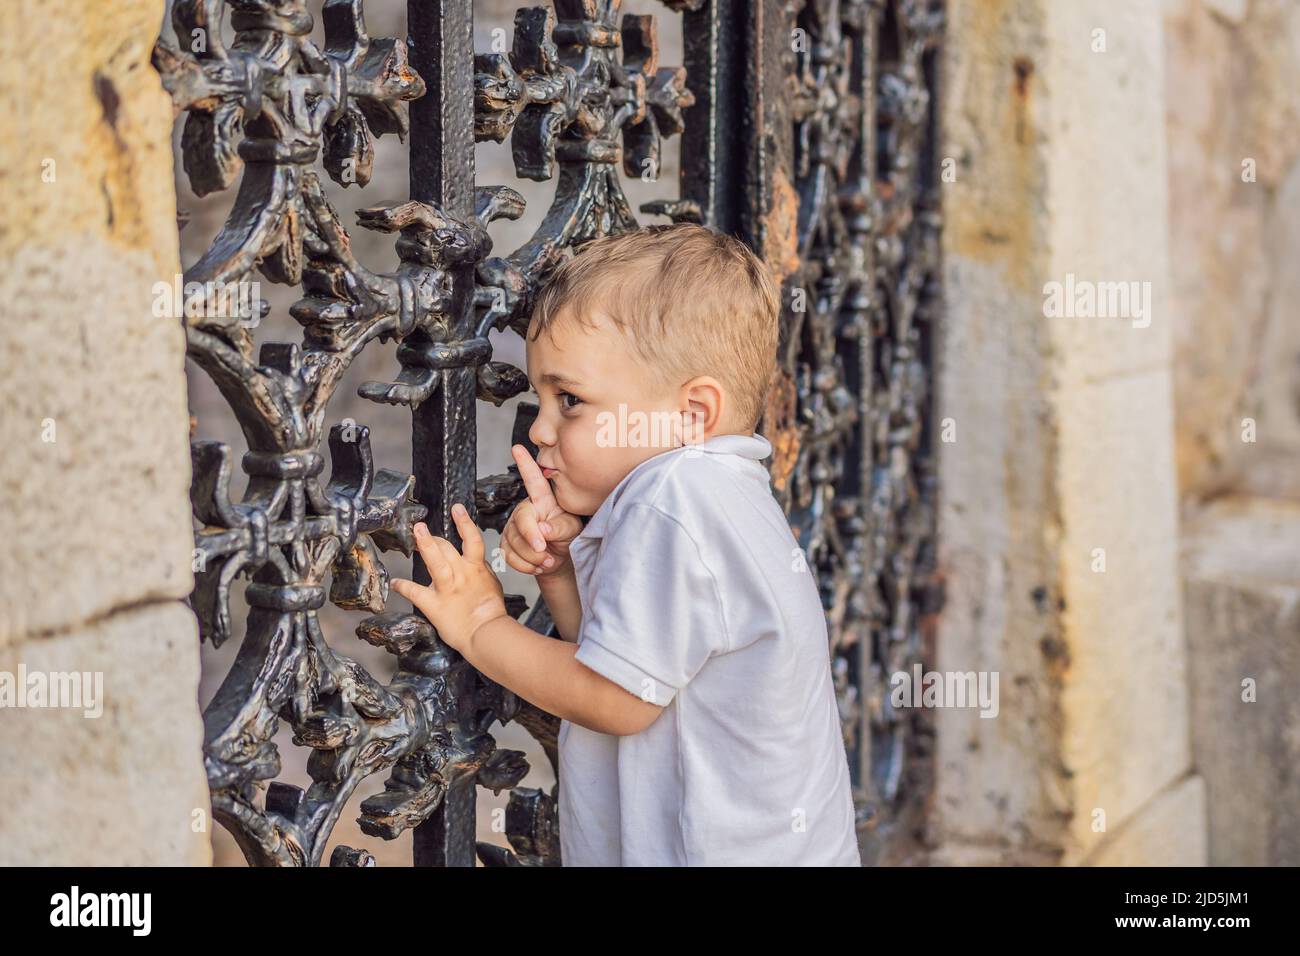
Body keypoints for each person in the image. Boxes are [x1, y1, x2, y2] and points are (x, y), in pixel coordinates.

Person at [391, 223, 862, 866]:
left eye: (571, 400)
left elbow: (616, 699)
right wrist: (560, 571)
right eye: (540, 400)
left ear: (691, 413)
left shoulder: (675, 497)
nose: (541, 430)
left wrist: (478, 626)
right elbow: (632, 660)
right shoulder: (718, 490)